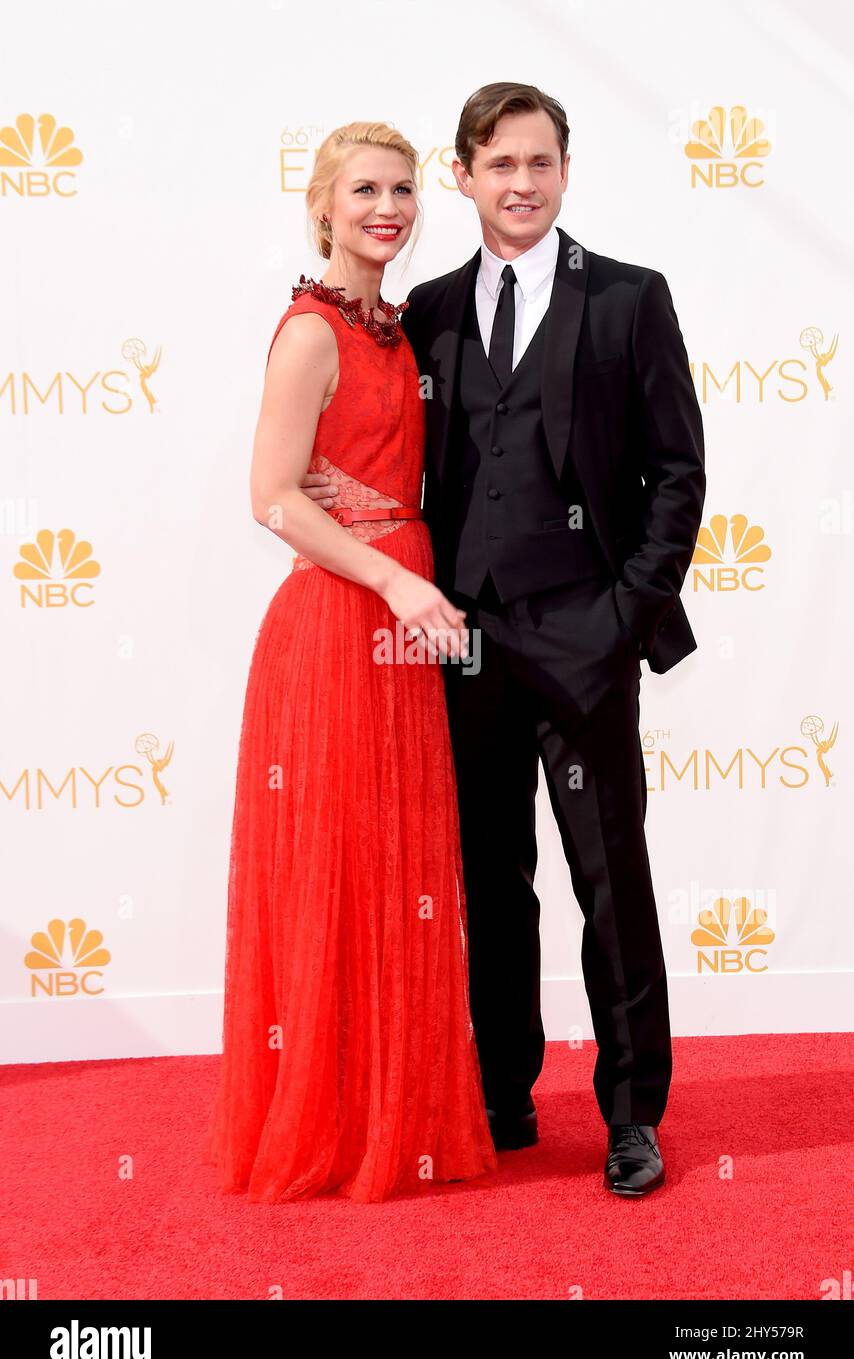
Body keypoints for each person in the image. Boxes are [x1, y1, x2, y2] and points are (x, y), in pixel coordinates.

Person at [302, 84, 706, 1197]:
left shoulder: (627, 299)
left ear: (563, 172)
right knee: (487, 879)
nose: (519, 184)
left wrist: (620, 617)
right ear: (466, 176)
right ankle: (501, 1092)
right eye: (498, 165)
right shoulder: (423, 309)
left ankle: (630, 1114)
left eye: (539, 163)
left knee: (606, 881)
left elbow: (676, 475)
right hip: (462, 644)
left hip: (583, 640)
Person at [201, 121, 497, 1203]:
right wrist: (395, 583)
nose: (387, 207)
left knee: (398, 871)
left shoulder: (398, 327)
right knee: (336, 869)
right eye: (364, 190)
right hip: (338, 625)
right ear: (321, 205)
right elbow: (271, 497)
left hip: (400, 627)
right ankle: (332, 1117)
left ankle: (397, 1107)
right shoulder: (310, 332)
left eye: (402, 190)